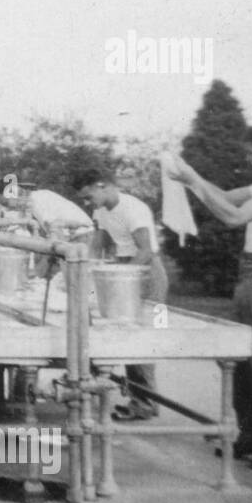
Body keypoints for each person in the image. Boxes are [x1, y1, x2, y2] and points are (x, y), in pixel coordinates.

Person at [165, 122, 252, 469]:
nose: (247, 159)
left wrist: (195, 182)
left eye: (250, 152)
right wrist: (192, 177)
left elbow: (233, 216)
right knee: (243, 356)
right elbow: (226, 197)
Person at [74, 169, 168, 421]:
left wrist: (120, 279)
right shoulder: (101, 210)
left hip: (147, 273)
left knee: (143, 340)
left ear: (101, 186)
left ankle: (146, 403)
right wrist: (84, 268)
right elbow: (98, 244)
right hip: (126, 269)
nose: (86, 202)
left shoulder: (133, 209)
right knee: (124, 335)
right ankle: (136, 398)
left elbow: (146, 250)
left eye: (87, 196)